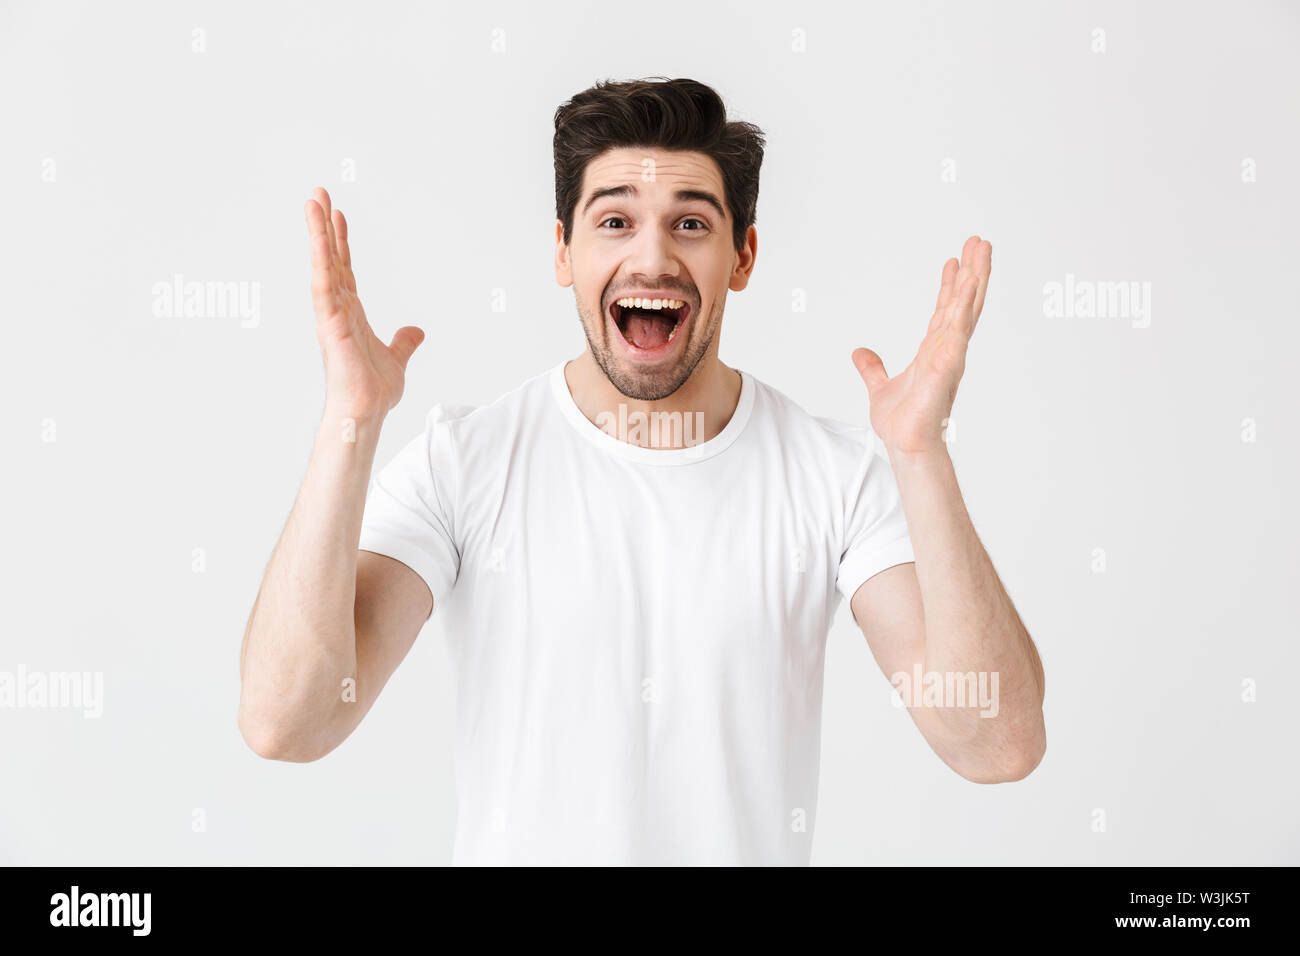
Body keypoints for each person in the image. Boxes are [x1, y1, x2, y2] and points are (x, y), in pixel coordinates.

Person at [238, 77, 1046, 866]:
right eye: (615, 220)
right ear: (564, 251)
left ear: (743, 255)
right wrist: (351, 418)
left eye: (691, 223)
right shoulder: (466, 462)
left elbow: (998, 745)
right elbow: (287, 723)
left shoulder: (837, 476)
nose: (651, 258)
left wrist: (921, 453)